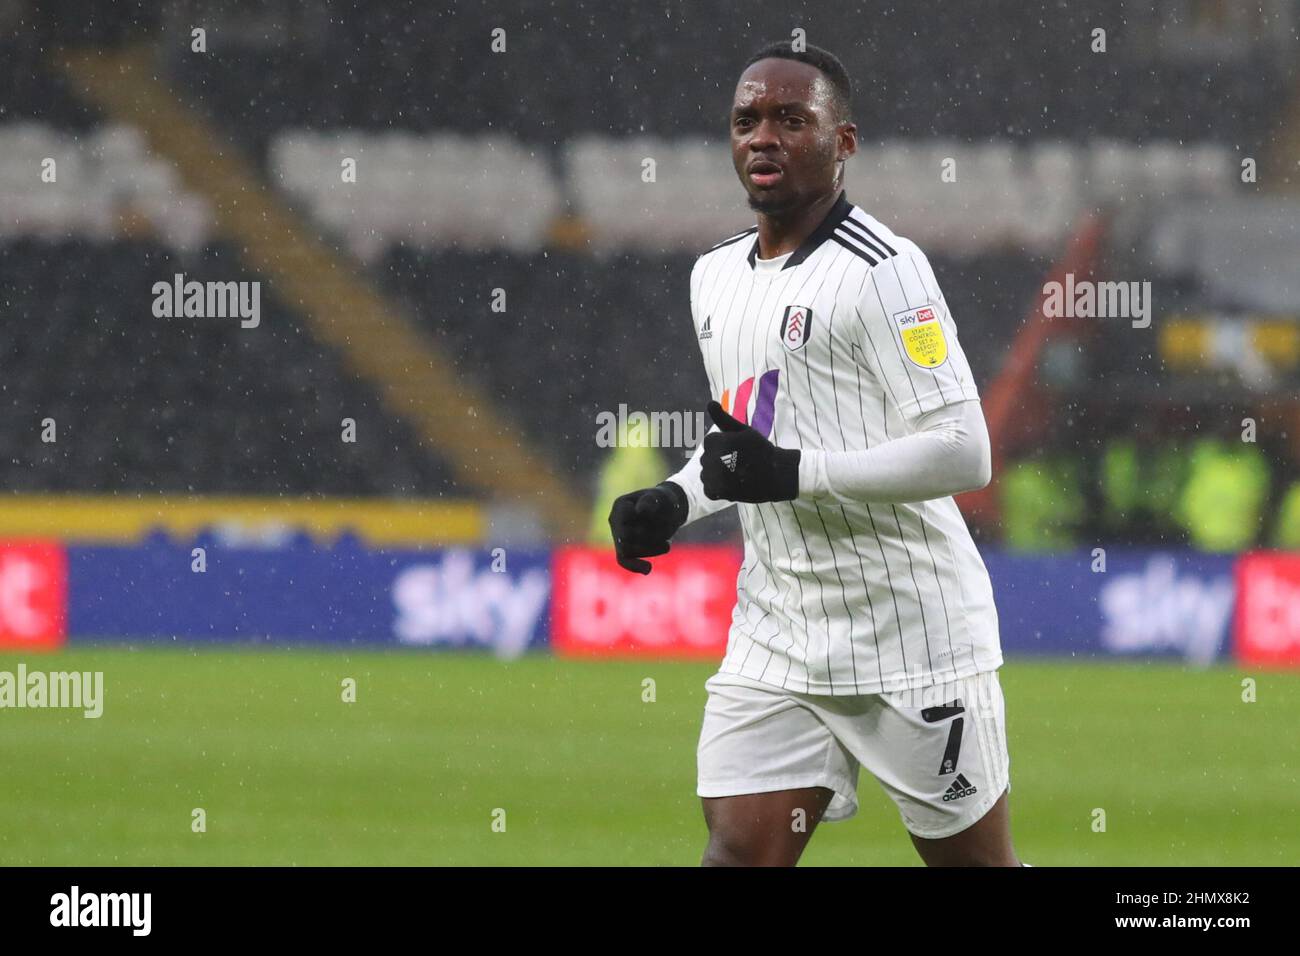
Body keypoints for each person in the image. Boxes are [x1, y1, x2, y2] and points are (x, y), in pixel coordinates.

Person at [608, 42, 1021, 866]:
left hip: (910, 637)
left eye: (793, 120)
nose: (764, 137)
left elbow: (964, 452)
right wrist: (676, 501)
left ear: (845, 143)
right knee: (736, 857)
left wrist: (799, 475)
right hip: (779, 634)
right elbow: (744, 445)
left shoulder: (885, 273)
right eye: (747, 120)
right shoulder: (715, 277)